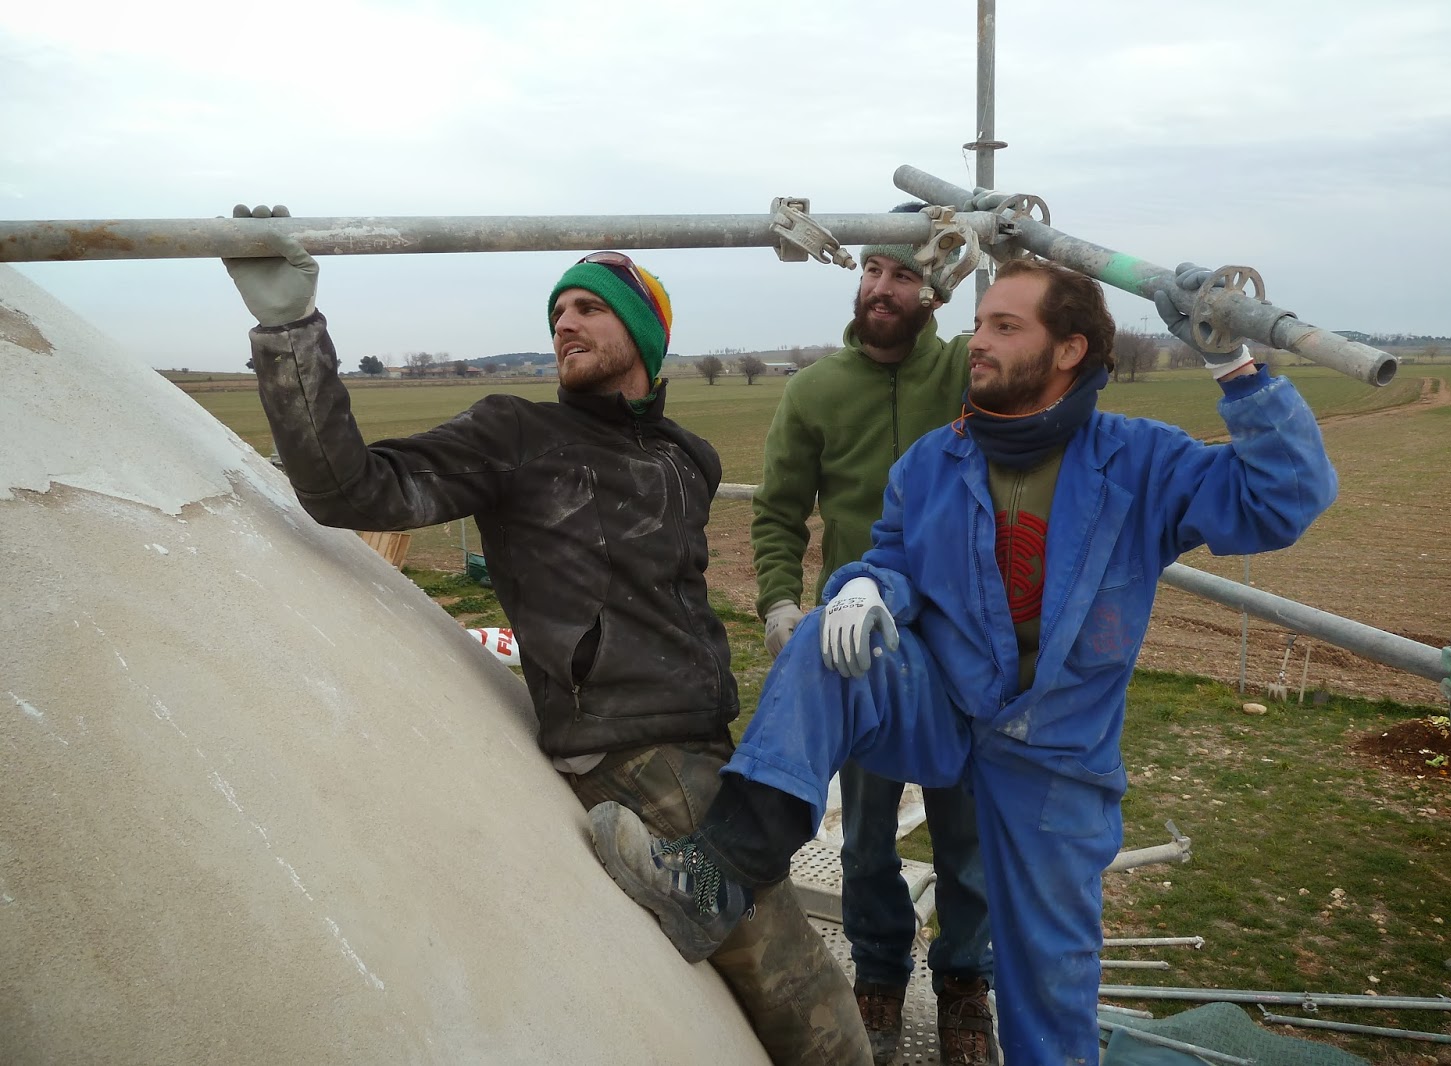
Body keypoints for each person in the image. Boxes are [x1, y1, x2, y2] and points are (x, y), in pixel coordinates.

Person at [589, 258, 1339, 1065]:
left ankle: (988, 1010)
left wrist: (1234, 364)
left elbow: (1282, 499)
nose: (976, 341)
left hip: (1055, 757)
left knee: (1050, 990)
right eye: (979, 322)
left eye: (1004, 327)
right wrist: (865, 586)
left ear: (1068, 350)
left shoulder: (1141, 461)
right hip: (941, 706)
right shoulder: (931, 465)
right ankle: (717, 878)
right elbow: (893, 558)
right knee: (822, 645)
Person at [219, 205, 870, 1066]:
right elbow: (351, 490)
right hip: (636, 755)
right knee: (816, 1012)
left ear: (643, 329)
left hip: (712, 748)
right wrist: (289, 328)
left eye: (590, 307)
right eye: (558, 312)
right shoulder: (515, 436)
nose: (566, 320)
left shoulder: (688, 458)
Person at [751, 204, 995, 1064]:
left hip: (965, 643)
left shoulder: (964, 370)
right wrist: (782, 603)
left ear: (936, 288)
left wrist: (989, 251)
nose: (882, 287)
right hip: (865, 648)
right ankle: (884, 977)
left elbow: (1025, 359)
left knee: (968, 835)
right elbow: (779, 512)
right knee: (864, 841)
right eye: (871, 271)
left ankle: (966, 982)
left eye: (903, 274)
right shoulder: (815, 390)